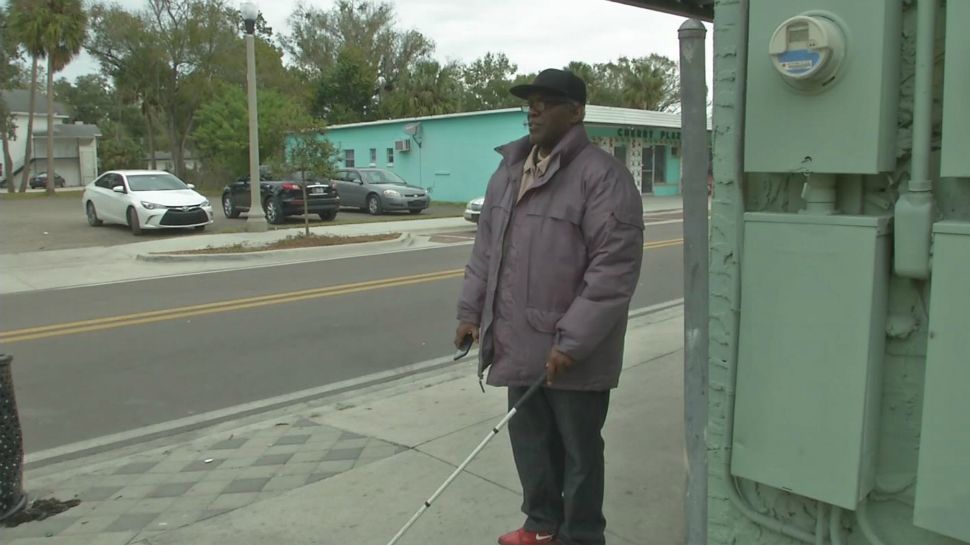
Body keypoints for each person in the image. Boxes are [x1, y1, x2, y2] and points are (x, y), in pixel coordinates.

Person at [455, 69, 644, 545]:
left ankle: (581, 536)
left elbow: (613, 270)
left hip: (571, 351)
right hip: (518, 340)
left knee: (579, 452)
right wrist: (470, 313)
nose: (534, 110)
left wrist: (573, 341)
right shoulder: (508, 173)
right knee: (531, 442)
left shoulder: (603, 177)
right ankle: (541, 526)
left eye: (547, 102)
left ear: (576, 112)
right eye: (530, 102)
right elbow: (485, 251)